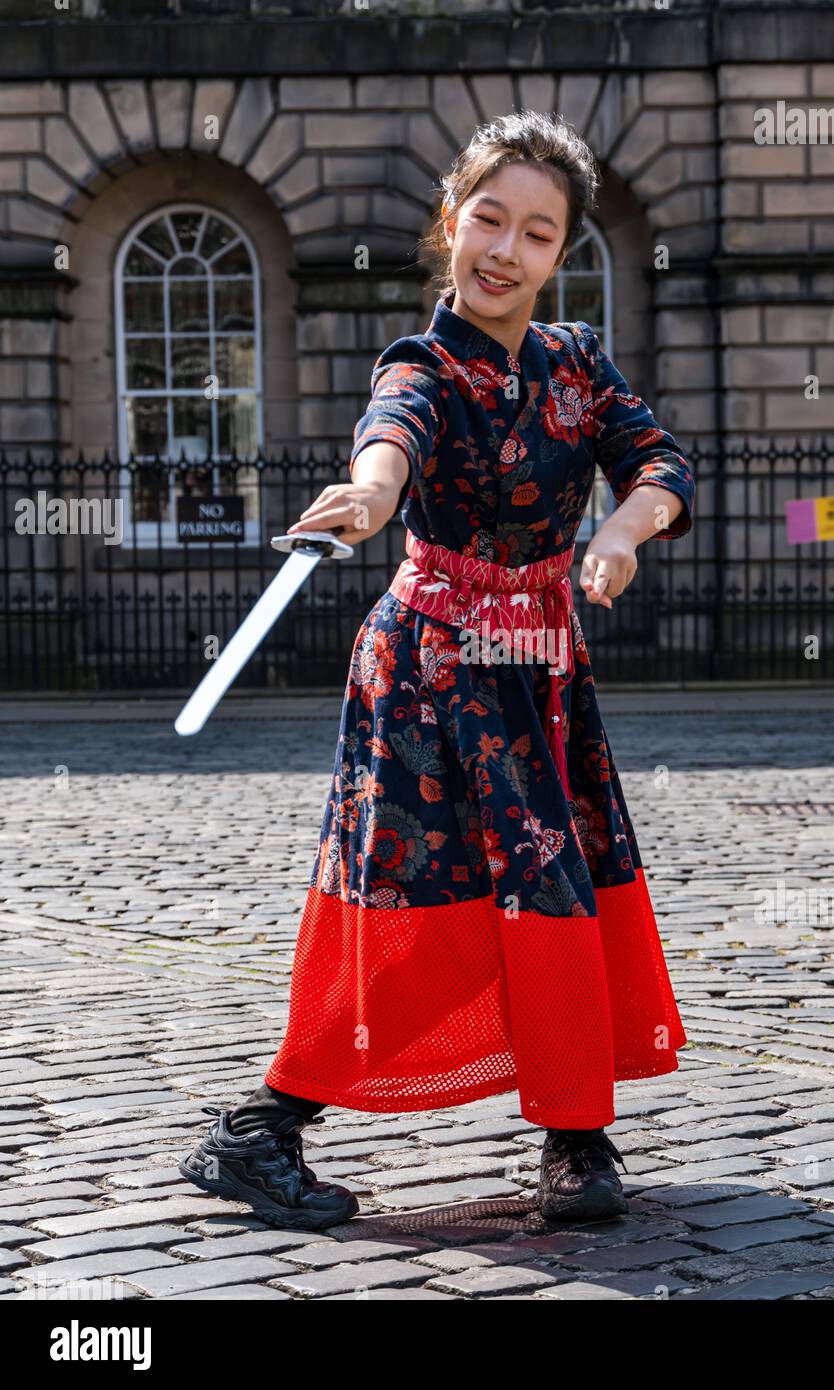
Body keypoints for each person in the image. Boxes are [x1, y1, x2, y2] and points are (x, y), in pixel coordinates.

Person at [179, 110, 696, 1231]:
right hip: (428, 670)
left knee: (555, 887)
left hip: (539, 669)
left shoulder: (576, 364)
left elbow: (657, 462)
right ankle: (258, 1130)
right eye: (490, 220)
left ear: (563, 254)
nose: (506, 250)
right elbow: (392, 432)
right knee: (408, 908)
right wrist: (369, 498)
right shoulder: (421, 360)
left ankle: (573, 1134)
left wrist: (622, 532)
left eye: (539, 233)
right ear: (450, 223)